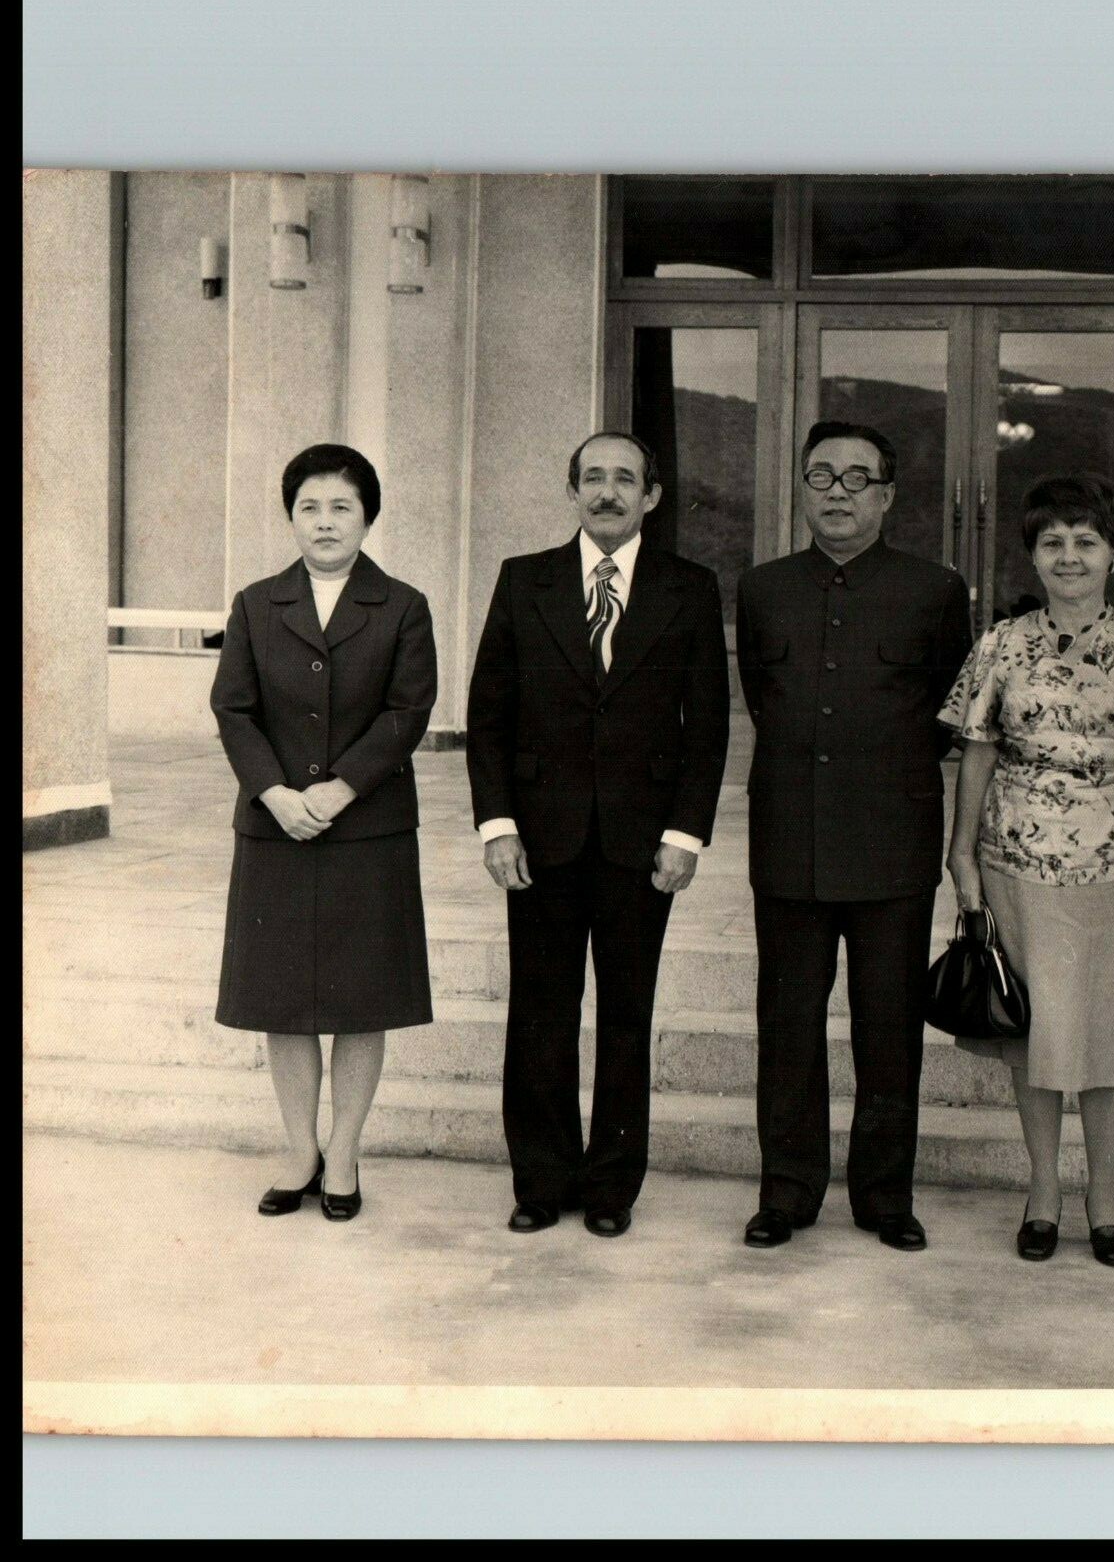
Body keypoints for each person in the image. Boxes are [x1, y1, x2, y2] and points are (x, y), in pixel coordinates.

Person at [941, 474, 1114, 1265]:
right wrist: (960, 856)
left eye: (1085, 542)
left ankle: (1103, 1193)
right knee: (1033, 1036)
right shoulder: (1000, 644)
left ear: (1113, 555)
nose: (1069, 556)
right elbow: (976, 753)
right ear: (1032, 557)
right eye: (1052, 543)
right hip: (1016, 865)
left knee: (1106, 1038)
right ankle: (1042, 1190)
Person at [466, 431, 730, 1239]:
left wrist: (685, 833)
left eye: (624, 478)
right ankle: (540, 1181)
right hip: (539, 839)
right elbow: (488, 714)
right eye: (592, 477)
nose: (607, 492)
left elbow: (707, 725)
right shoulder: (525, 580)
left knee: (625, 1014)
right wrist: (497, 824)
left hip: (640, 842)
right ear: (571, 489)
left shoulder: (689, 588)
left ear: (651, 495)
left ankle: (613, 1185)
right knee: (539, 1014)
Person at [735, 421, 972, 1253]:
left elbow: (946, 711)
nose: (837, 492)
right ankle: (786, 1192)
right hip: (788, 840)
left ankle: (884, 1197)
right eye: (821, 476)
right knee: (787, 1024)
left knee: (889, 1026)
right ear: (801, 488)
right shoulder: (763, 588)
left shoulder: (934, 590)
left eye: (855, 478)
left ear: (887, 495)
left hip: (890, 841)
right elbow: (763, 698)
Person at [211, 443, 438, 1223]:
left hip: (367, 828)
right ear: (291, 517)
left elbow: (408, 710)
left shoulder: (403, 605)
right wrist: (275, 793)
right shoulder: (255, 604)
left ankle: (343, 1152)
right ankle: (298, 1151)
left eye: (342, 506)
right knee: (283, 1000)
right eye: (309, 506)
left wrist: (340, 789)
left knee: (361, 999)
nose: (325, 521)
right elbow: (233, 708)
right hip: (275, 828)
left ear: (368, 517)